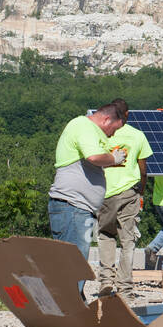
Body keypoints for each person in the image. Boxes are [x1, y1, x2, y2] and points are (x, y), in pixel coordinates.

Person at [48, 104, 126, 295]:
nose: (112, 135)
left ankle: (72, 305)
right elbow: (93, 157)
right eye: (114, 129)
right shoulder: (83, 126)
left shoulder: (87, 128)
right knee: (74, 264)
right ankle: (72, 308)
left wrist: (108, 161)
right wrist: (112, 158)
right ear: (107, 120)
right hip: (73, 206)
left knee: (70, 264)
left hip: (76, 208)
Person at [94, 100, 153, 297]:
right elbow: (143, 169)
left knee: (105, 235)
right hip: (129, 192)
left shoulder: (101, 133)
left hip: (105, 193)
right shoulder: (138, 135)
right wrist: (142, 192)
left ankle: (106, 280)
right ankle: (125, 287)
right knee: (128, 241)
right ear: (127, 114)